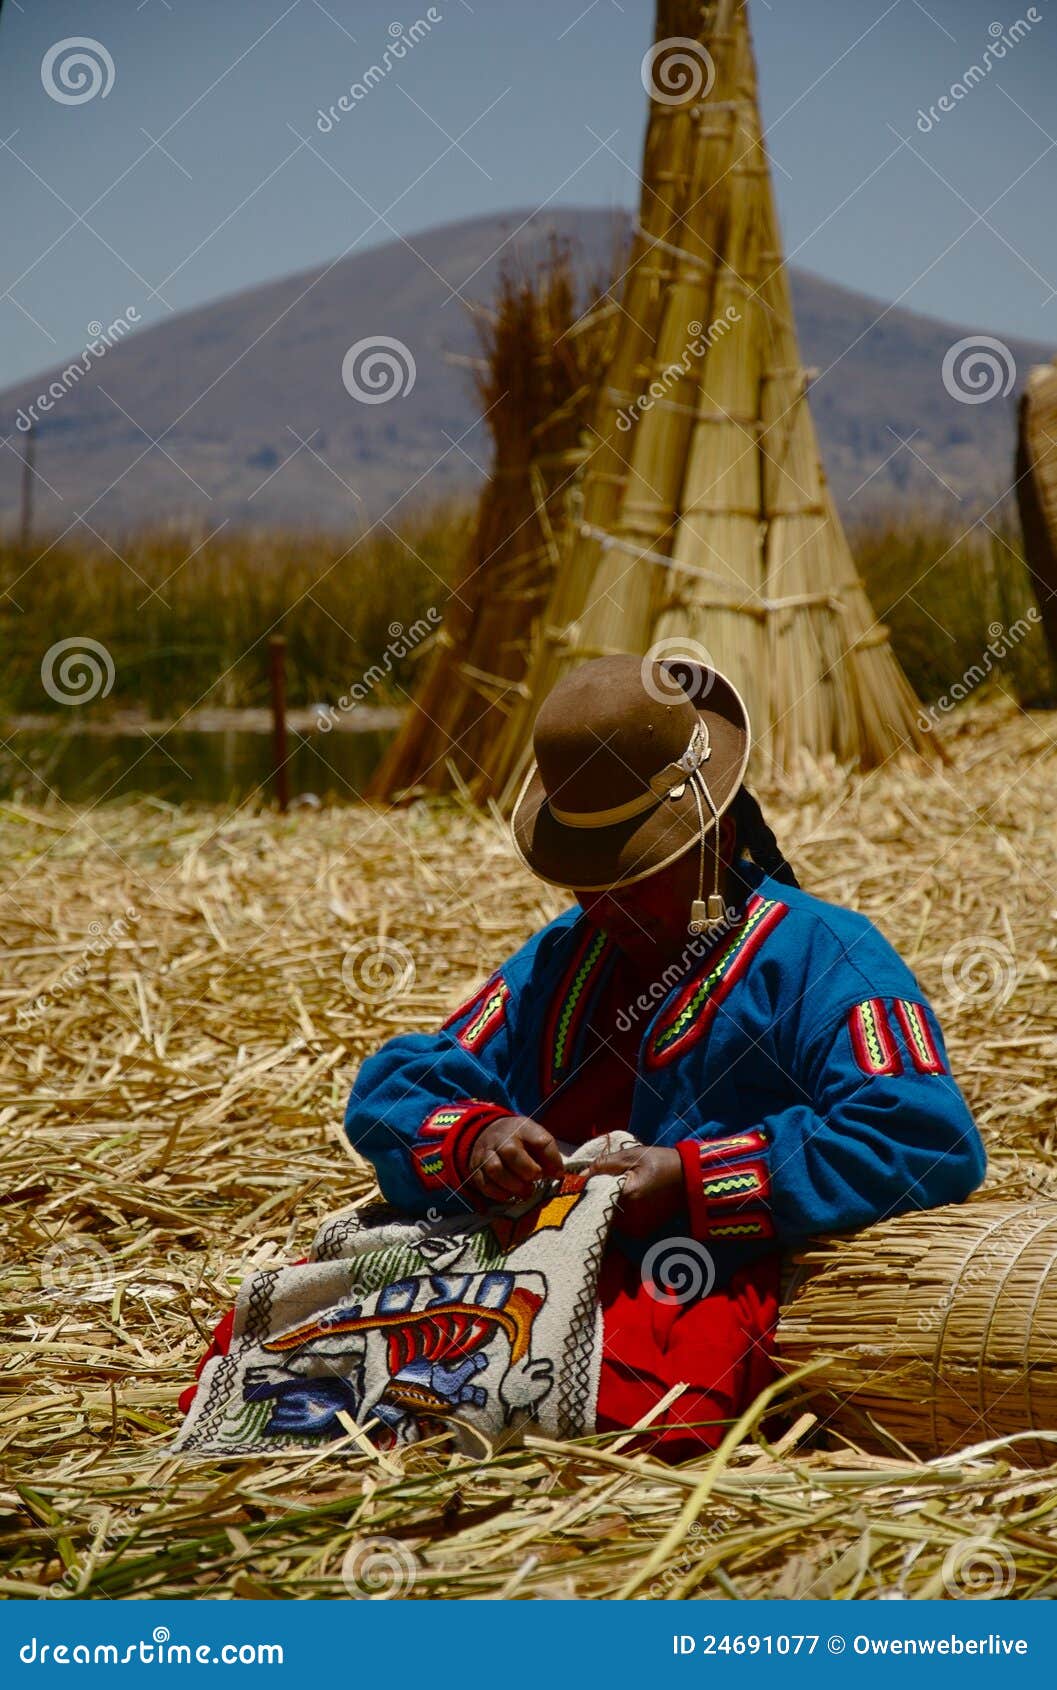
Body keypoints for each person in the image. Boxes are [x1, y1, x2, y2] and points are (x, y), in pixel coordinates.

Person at [343, 654, 986, 1457]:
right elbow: (400, 1082)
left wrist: (688, 1180)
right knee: (315, 1369)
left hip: (678, 1291)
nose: (604, 907)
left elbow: (922, 1136)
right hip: (518, 1274)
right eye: (587, 883)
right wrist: (478, 1139)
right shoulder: (562, 962)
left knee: (622, 1423)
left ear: (711, 837)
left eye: (634, 875)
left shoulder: (825, 958)